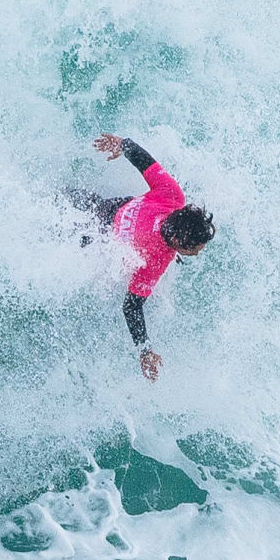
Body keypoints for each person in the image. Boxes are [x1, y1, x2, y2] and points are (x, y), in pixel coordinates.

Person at [76, 131, 216, 381]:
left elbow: (142, 159)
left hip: (103, 209)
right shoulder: (158, 258)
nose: (198, 251)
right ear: (177, 242)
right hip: (95, 236)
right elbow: (131, 305)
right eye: (194, 248)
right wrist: (145, 350)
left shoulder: (173, 196)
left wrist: (123, 145)